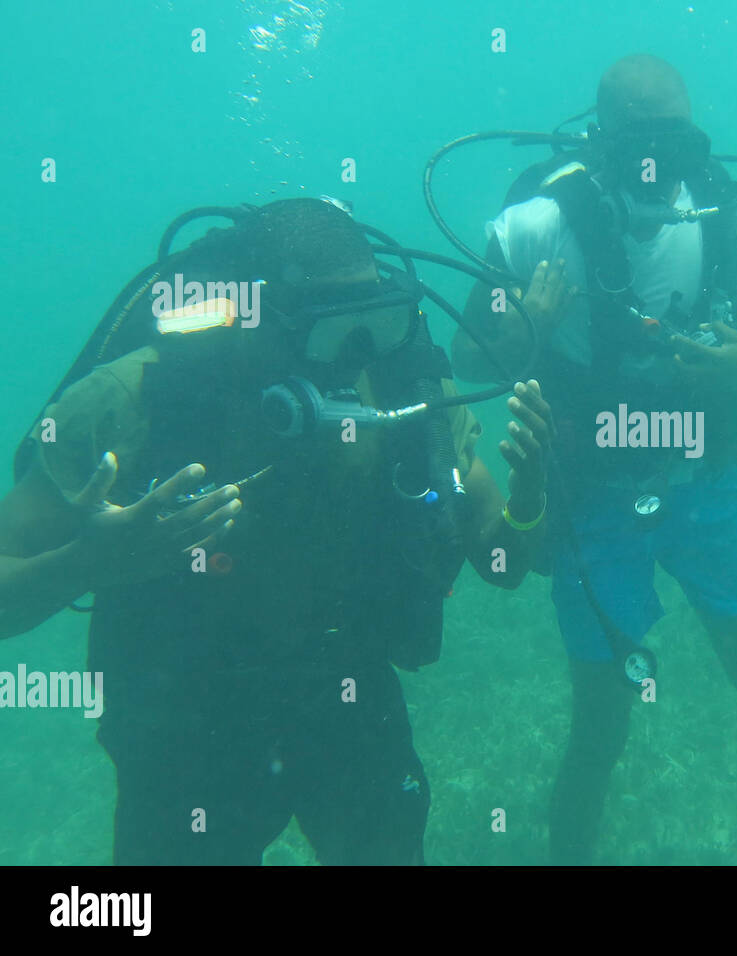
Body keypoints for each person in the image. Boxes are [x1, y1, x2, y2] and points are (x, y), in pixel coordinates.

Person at [0, 197, 553, 865]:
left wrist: (530, 494)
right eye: (331, 328)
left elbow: (502, 562)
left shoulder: (406, 393)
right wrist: (86, 565)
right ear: (252, 313)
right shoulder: (137, 397)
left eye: (376, 321)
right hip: (184, 718)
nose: (355, 354)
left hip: (346, 690)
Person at [452, 54, 737, 864]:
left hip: (706, 485)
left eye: (675, 143)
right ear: (601, 140)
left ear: (695, 140)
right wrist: (528, 330)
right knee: (602, 718)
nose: (656, 167)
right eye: (637, 146)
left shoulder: (733, 215)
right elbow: (470, 358)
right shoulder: (538, 226)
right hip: (595, 501)